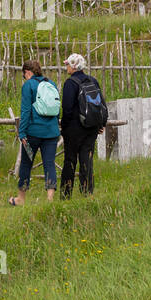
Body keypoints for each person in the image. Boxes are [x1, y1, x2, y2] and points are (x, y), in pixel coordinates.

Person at [9, 60, 60, 206]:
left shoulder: (28, 85)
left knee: (26, 163)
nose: (24, 77)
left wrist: (22, 132)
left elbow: (25, 111)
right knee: (49, 163)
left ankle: (21, 199)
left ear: (27, 72)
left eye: (23, 75)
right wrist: (55, 126)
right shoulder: (51, 84)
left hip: (33, 132)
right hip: (51, 132)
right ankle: (50, 199)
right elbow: (56, 108)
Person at [59, 53, 106, 198]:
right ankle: (87, 193)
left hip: (73, 129)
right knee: (87, 161)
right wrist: (100, 124)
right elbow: (100, 105)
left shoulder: (70, 83)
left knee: (70, 161)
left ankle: (66, 195)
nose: (66, 67)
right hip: (91, 128)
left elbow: (66, 109)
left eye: (67, 64)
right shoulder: (93, 81)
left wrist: (64, 129)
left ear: (73, 66)